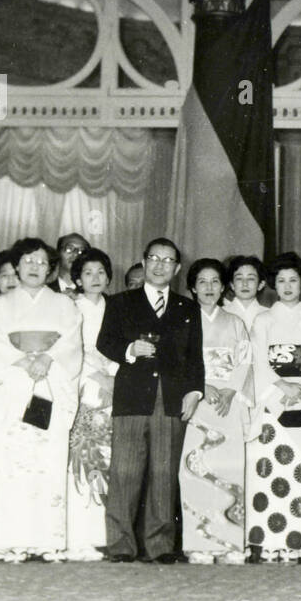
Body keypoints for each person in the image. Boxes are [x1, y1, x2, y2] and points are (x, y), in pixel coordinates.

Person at [97, 238, 204, 563]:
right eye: (154, 259)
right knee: (124, 473)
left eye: (167, 260)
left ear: (177, 268)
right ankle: (121, 545)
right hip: (131, 397)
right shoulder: (119, 302)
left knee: (163, 472)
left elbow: (195, 356)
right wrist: (129, 350)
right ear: (143, 263)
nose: (160, 265)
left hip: (171, 399)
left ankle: (160, 546)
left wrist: (194, 391)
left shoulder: (187, 308)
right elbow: (105, 341)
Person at [0, 237, 83, 562]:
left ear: (51, 269)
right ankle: (8, 540)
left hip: (47, 388)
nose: (35, 268)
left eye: (42, 263)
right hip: (14, 388)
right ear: (17, 266)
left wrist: (48, 359)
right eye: (28, 262)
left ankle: (46, 540)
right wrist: (23, 360)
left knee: (46, 461)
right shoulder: (0, 306)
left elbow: (70, 345)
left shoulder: (65, 305)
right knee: (12, 464)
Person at [246, 252, 301, 562]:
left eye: (293, 280)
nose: (287, 286)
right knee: (268, 471)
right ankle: (266, 540)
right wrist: (282, 386)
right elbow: (258, 360)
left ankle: (297, 541)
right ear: (273, 285)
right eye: (281, 280)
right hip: (272, 399)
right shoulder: (263, 320)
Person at [180, 257, 253, 563]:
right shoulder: (183, 320)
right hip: (197, 403)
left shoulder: (235, 322)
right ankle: (199, 543)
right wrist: (201, 385)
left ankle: (232, 543)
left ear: (223, 287)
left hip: (228, 404)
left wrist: (228, 390)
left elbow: (246, 361)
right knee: (195, 470)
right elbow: (178, 361)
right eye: (202, 282)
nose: (209, 288)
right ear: (192, 288)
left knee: (230, 471)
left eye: (215, 282)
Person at [66, 248, 117, 560]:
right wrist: (97, 375)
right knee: (84, 459)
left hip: (114, 386)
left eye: (101, 272)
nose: (95, 278)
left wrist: (113, 375)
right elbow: (69, 348)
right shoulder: (70, 308)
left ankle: (105, 535)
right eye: (88, 273)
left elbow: (126, 347)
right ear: (77, 278)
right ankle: (79, 537)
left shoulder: (118, 307)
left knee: (110, 461)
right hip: (83, 386)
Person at [227, 255, 271, 330]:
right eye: (239, 278)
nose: (245, 283)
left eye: (251, 279)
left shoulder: (270, 315)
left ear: (261, 284)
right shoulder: (221, 313)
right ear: (232, 285)